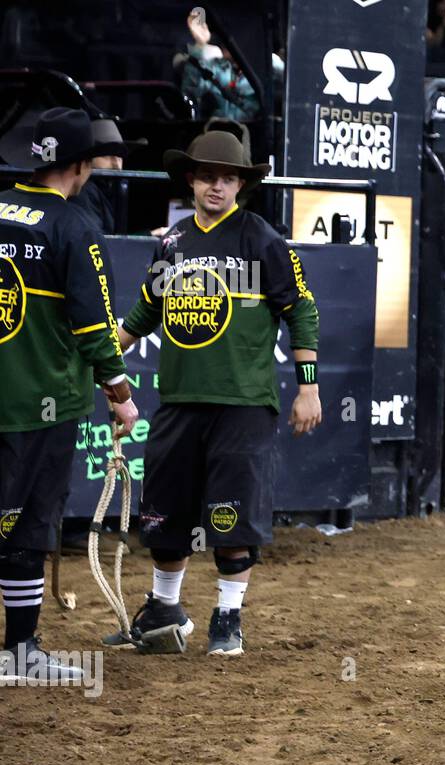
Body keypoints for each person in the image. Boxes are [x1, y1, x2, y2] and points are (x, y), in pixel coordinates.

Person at [102, 128, 322, 657]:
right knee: (165, 516)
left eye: (227, 178)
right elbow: (142, 314)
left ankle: (227, 617)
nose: (216, 186)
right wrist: (102, 360)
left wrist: (308, 389)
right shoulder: (173, 243)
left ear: (241, 184)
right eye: (207, 177)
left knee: (231, 517)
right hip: (179, 399)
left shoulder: (261, 237)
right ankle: (164, 611)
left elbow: (301, 310)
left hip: (243, 403)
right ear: (191, 181)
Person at [0, 108, 138, 683]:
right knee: (29, 523)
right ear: (80, 165)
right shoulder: (74, 226)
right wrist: (121, 393)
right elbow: (93, 325)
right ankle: (21, 649)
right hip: (38, 402)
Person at [177, 7, 260, 121]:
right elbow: (188, 99)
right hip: (212, 133)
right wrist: (201, 46)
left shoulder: (264, 69)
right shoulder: (209, 67)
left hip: (251, 134)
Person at [70, 118, 147, 235]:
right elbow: (96, 241)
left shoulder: (111, 189)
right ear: (87, 160)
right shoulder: (84, 190)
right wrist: (148, 236)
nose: (116, 164)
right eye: (107, 156)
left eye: (119, 156)